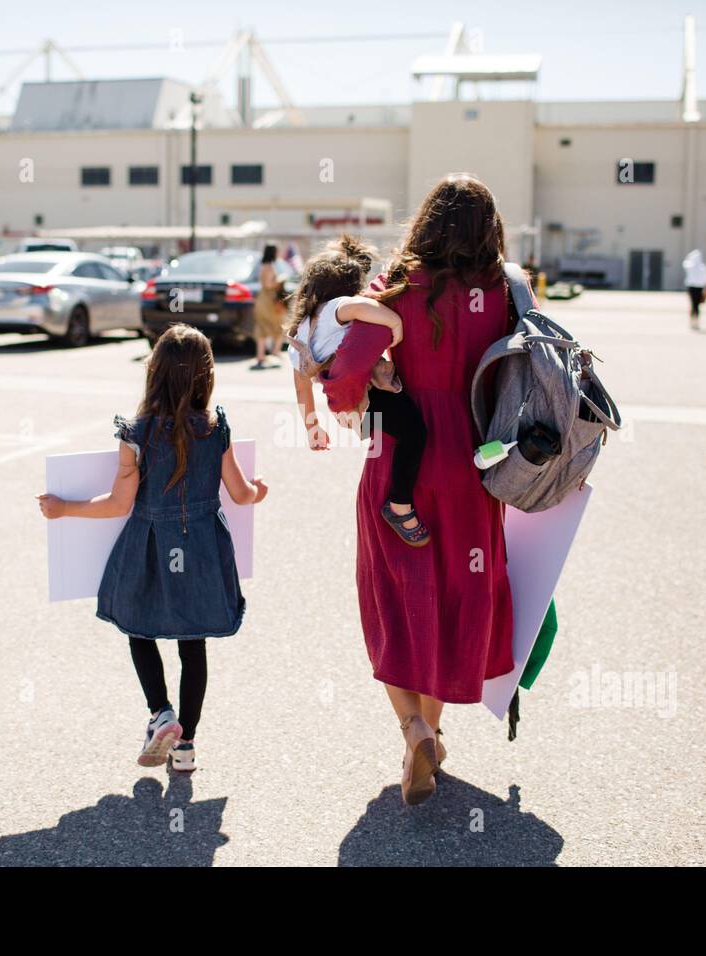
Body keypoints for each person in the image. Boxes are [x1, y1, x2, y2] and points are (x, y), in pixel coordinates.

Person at [319, 174, 516, 806]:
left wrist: (354, 400)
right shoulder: (504, 292)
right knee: (457, 593)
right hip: (474, 459)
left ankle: (413, 730)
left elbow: (345, 375)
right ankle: (430, 726)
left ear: (426, 223)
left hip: (399, 455)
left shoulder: (397, 288)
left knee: (393, 597)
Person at [36, 325, 269, 773]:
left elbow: (119, 503)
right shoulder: (215, 427)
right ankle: (187, 747)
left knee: (138, 628)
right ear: (206, 376)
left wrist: (65, 508)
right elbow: (240, 494)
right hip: (201, 548)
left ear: (154, 373)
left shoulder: (136, 433)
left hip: (148, 545)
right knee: (192, 642)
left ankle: (161, 712)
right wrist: (259, 491)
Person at [286, 234, 431, 545]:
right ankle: (399, 504)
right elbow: (364, 308)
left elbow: (302, 389)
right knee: (415, 431)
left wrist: (313, 429)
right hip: (369, 398)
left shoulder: (298, 334)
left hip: (347, 409)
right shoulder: (338, 306)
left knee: (401, 432)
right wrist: (395, 326)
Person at [253, 244, 286, 369]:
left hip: (262, 299)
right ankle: (275, 351)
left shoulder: (262, 266)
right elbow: (269, 284)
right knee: (279, 324)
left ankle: (260, 355)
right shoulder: (270, 267)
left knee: (262, 327)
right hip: (269, 300)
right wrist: (281, 279)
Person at [683, 248, 706, 330]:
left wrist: (689, 257)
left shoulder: (689, 266)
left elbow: (684, 263)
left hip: (691, 287)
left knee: (693, 304)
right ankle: (696, 321)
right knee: (697, 305)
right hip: (699, 288)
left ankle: (692, 321)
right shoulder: (703, 267)